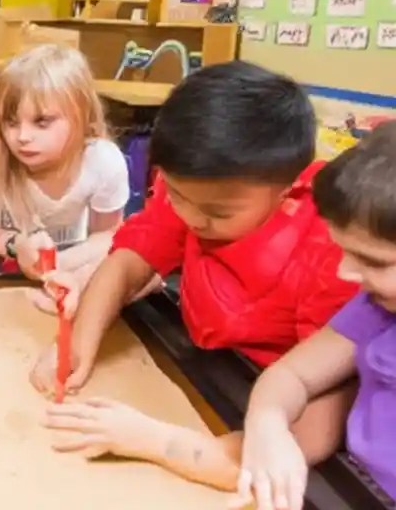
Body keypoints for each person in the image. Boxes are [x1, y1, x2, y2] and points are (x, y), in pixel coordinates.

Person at [34, 61, 357, 491]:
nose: (189, 216)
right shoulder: (197, 186)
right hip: (210, 355)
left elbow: (304, 432)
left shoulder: (333, 248)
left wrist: (152, 440)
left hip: (275, 387)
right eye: (178, 196)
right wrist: (79, 338)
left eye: (217, 212)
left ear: (288, 188)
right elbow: (130, 261)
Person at [234, 122, 396, 510]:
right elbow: (291, 375)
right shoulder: (376, 309)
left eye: (373, 261)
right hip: (349, 486)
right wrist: (267, 425)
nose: (345, 272)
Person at [0, 44, 132, 313]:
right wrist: (14, 245)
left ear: (81, 116)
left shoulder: (103, 161)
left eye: (42, 122)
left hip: (68, 265)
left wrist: (60, 264)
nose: (22, 136)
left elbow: (107, 234)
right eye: (11, 122)